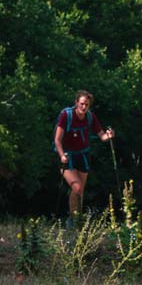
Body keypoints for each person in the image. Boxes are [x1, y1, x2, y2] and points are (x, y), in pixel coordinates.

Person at [53, 90, 114, 219]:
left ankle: (77, 220)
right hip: (67, 156)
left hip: (83, 155)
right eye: (81, 104)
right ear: (76, 103)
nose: (84, 107)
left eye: (86, 104)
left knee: (80, 191)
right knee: (77, 187)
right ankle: (72, 220)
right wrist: (61, 155)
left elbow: (102, 136)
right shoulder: (66, 115)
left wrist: (109, 135)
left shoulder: (90, 116)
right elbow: (57, 139)